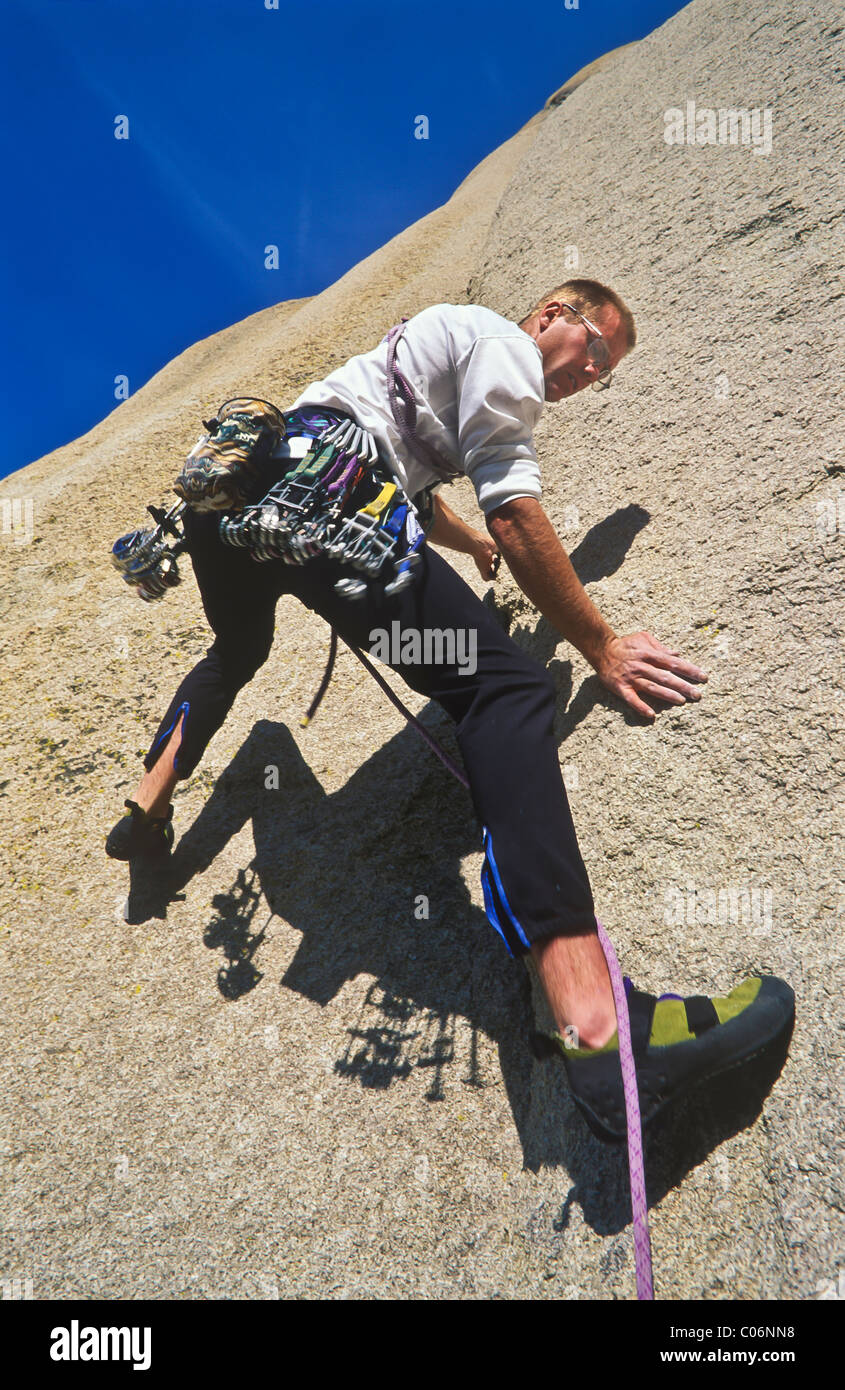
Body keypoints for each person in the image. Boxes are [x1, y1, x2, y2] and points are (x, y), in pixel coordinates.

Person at [106, 280, 793, 1142]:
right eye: (598, 350)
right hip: (329, 500)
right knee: (503, 690)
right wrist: (600, 644)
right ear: (550, 316)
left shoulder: (426, 351)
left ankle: (148, 800)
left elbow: (417, 485)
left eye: (608, 368)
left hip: (245, 506)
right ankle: (602, 1034)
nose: (595, 374)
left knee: (237, 653)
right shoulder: (503, 348)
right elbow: (512, 510)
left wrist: (467, 548)